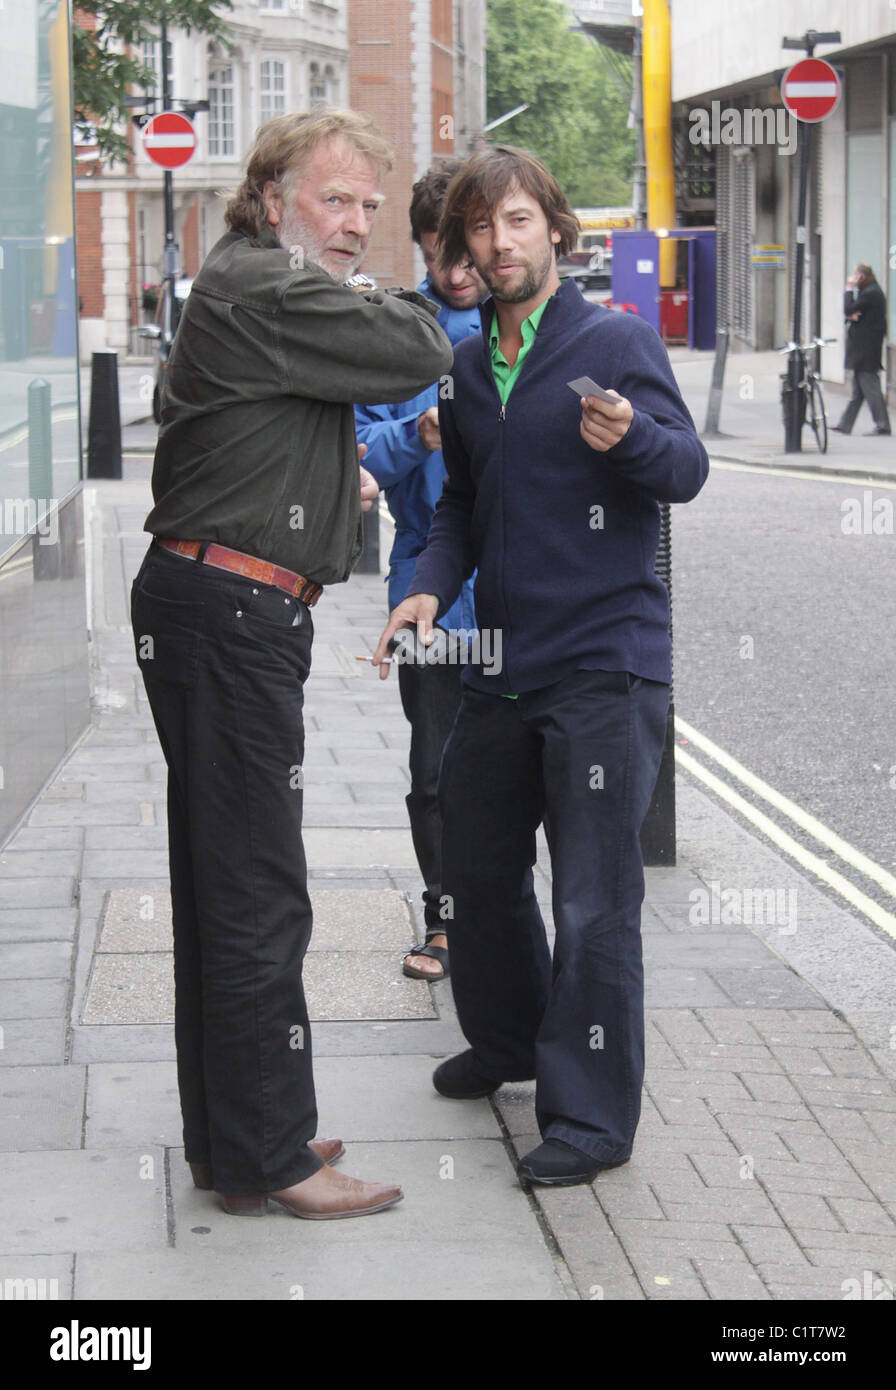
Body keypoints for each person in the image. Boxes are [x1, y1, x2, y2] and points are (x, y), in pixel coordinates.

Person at [131, 109, 454, 1219]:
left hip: (209, 603)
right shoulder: (270, 284)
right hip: (230, 617)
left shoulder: (249, 284)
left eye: (370, 206)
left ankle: (236, 1135)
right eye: (337, 199)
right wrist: (380, 298)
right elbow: (421, 346)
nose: (358, 224)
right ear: (273, 197)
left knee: (223, 885)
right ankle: (274, 1156)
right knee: (260, 893)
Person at [373, 144, 709, 1188]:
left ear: (553, 230)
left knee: (592, 902)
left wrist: (629, 441)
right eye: (478, 227)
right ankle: (509, 1039)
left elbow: (684, 468)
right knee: (473, 869)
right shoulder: (468, 368)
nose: (496, 243)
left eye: (516, 221)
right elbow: (462, 503)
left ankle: (589, 1117)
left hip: (604, 666)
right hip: (498, 663)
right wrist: (425, 587)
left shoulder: (610, 340)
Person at [355, 160, 488, 983]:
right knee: (433, 769)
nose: (463, 274)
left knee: (520, 771)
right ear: (423, 251)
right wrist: (423, 435)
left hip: (519, 589)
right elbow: (362, 456)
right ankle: (444, 922)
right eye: (444, 258)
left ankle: (505, 921)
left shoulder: (526, 332)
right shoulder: (396, 337)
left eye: (471, 254)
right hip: (429, 590)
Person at [832, 263, 891, 436]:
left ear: (862, 277)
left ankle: (883, 426)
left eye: (855, 276)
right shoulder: (869, 292)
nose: (853, 279)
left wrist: (849, 289)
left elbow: (848, 309)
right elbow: (851, 312)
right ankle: (845, 424)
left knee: (871, 389)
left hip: (866, 351)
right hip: (863, 350)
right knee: (858, 393)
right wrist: (852, 315)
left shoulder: (871, 293)